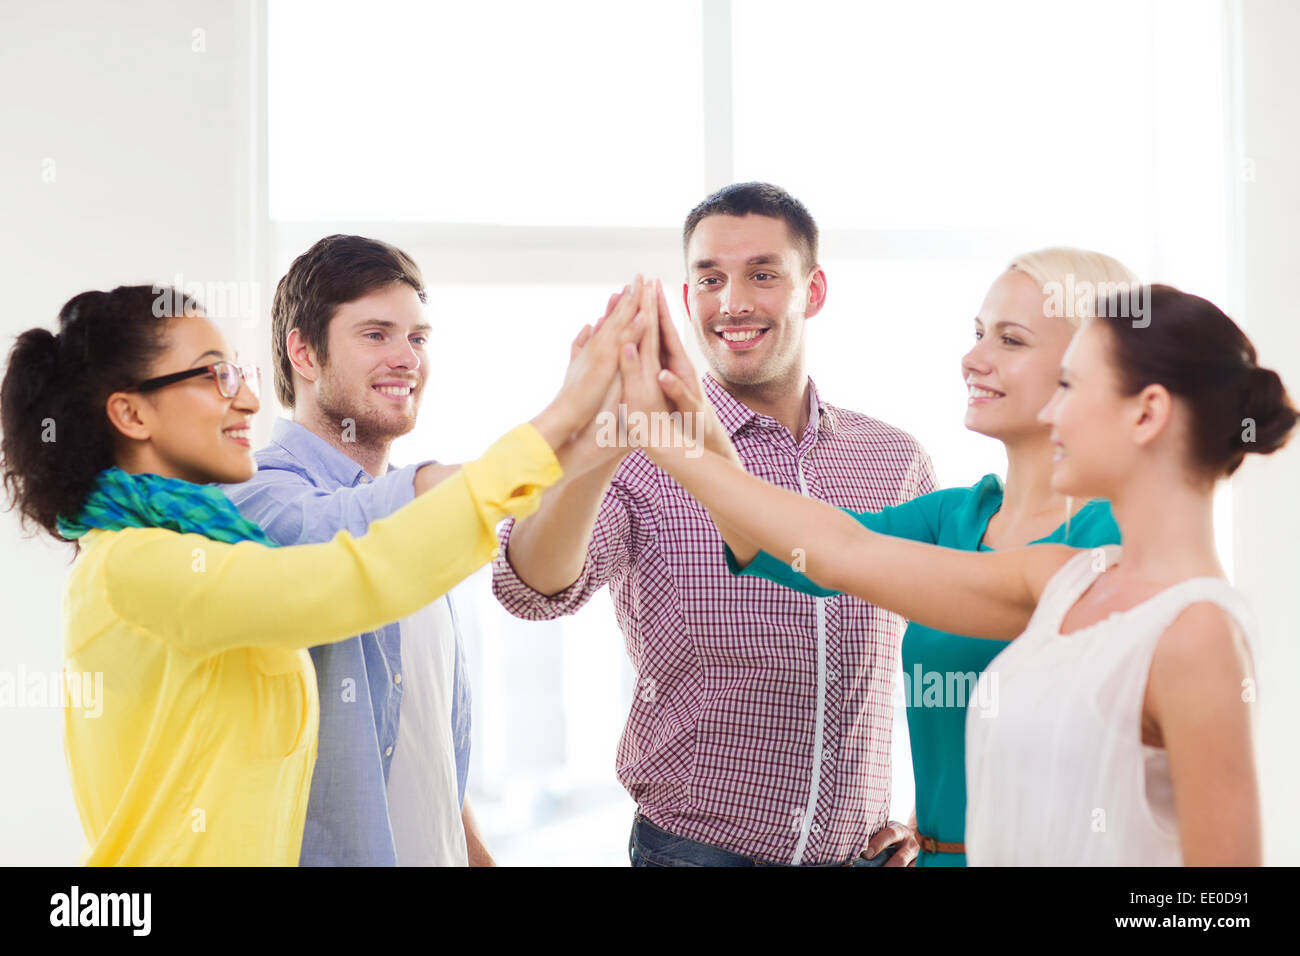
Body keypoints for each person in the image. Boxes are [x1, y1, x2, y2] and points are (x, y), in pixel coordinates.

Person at [616, 281, 1296, 865]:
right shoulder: (1058, 580)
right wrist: (684, 438)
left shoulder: (1196, 634)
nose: (1050, 410)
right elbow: (839, 549)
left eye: (1069, 386)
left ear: (1146, 413)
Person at [0, 279, 649, 865]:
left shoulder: (208, 548)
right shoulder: (136, 565)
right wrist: (560, 420)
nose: (248, 398)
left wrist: (581, 445)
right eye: (216, 375)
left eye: (241, 373)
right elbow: (356, 576)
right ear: (132, 413)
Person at [492, 183, 936, 866]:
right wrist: (597, 443)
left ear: (813, 291)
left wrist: (923, 816)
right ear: (688, 295)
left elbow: (940, 643)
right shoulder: (643, 456)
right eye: (710, 279)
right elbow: (530, 589)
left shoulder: (894, 460)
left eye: (762, 274)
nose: (732, 303)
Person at [727, 248, 1133, 865]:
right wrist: (686, 425)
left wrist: (681, 443)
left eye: (1010, 340)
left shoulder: (1114, 539)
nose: (973, 359)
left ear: (1091, 368)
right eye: (978, 333)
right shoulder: (952, 517)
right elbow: (787, 549)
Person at [222, 235, 486, 865]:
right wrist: (552, 447)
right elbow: (335, 532)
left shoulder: (406, 512)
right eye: (375, 335)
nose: (407, 358)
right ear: (304, 353)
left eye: (418, 337)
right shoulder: (254, 498)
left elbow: (422, 732)